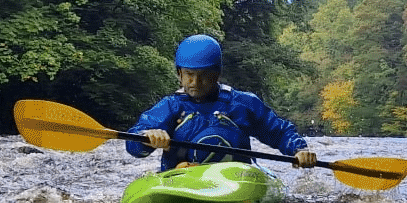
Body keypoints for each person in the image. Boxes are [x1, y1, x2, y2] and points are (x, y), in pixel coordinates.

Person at [126, 34, 317, 172]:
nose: (195, 83)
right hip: (181, 177)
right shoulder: (171, 106)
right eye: (189, 75)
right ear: (179, 74)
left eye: (204, 76)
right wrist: (147, 137)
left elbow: (279, 132)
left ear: (217, 74)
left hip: (235, 181)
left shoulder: (241, 104)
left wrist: (299, 150)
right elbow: (133, 146)